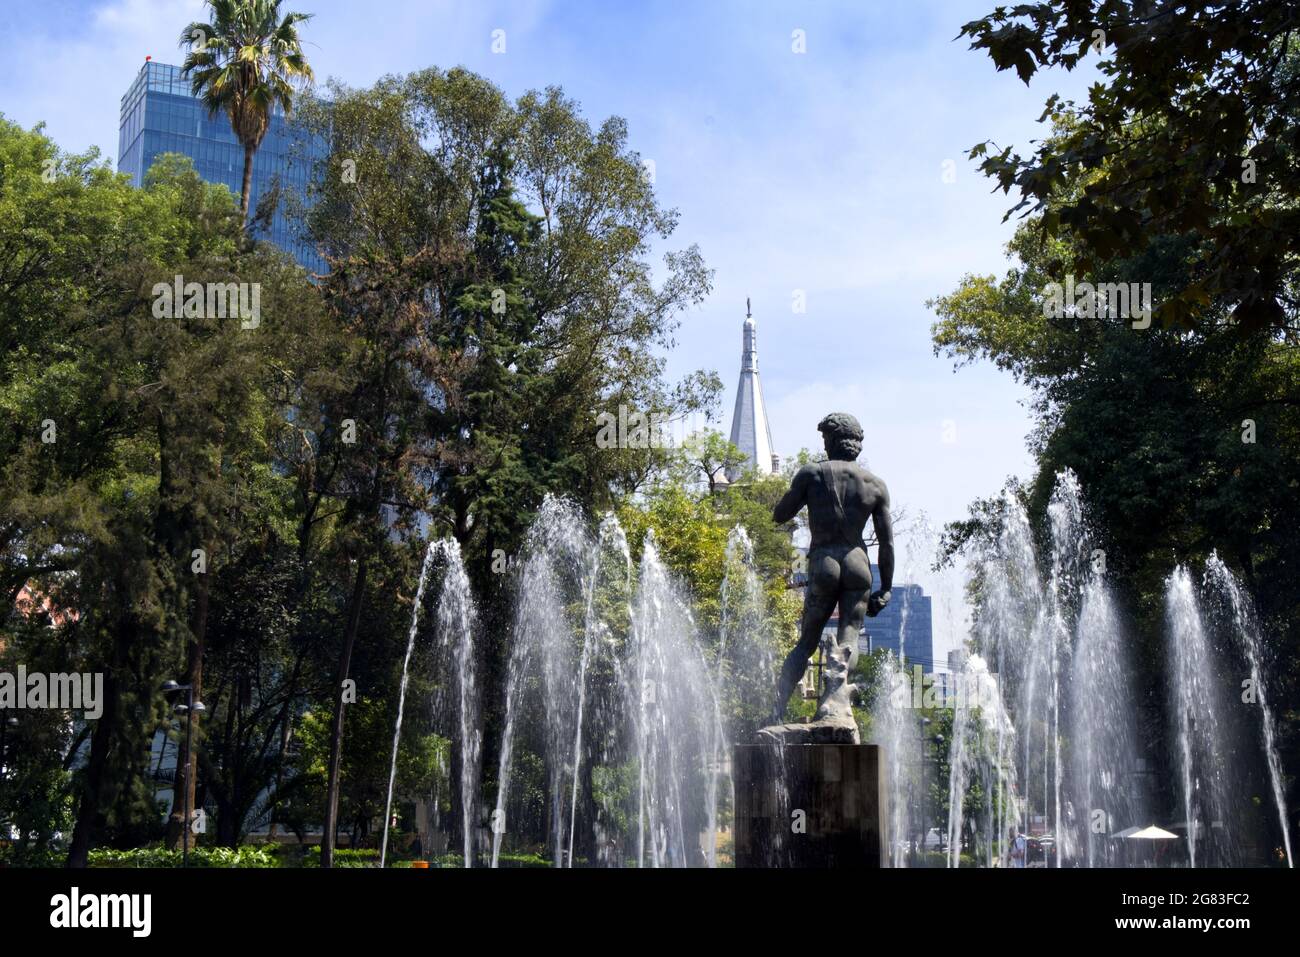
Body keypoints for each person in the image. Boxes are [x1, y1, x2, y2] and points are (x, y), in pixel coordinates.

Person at [766, 412, 893, 736]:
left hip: (824, 560)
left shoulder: (812, 475)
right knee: (848, 638)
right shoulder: (875, 485)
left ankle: (776, 712)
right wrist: (886, 588)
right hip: (857, 562)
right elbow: (887, 543)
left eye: (825, 439)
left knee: (806, 642)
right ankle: (836, 706)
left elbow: (780, 515)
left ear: (831, 442)